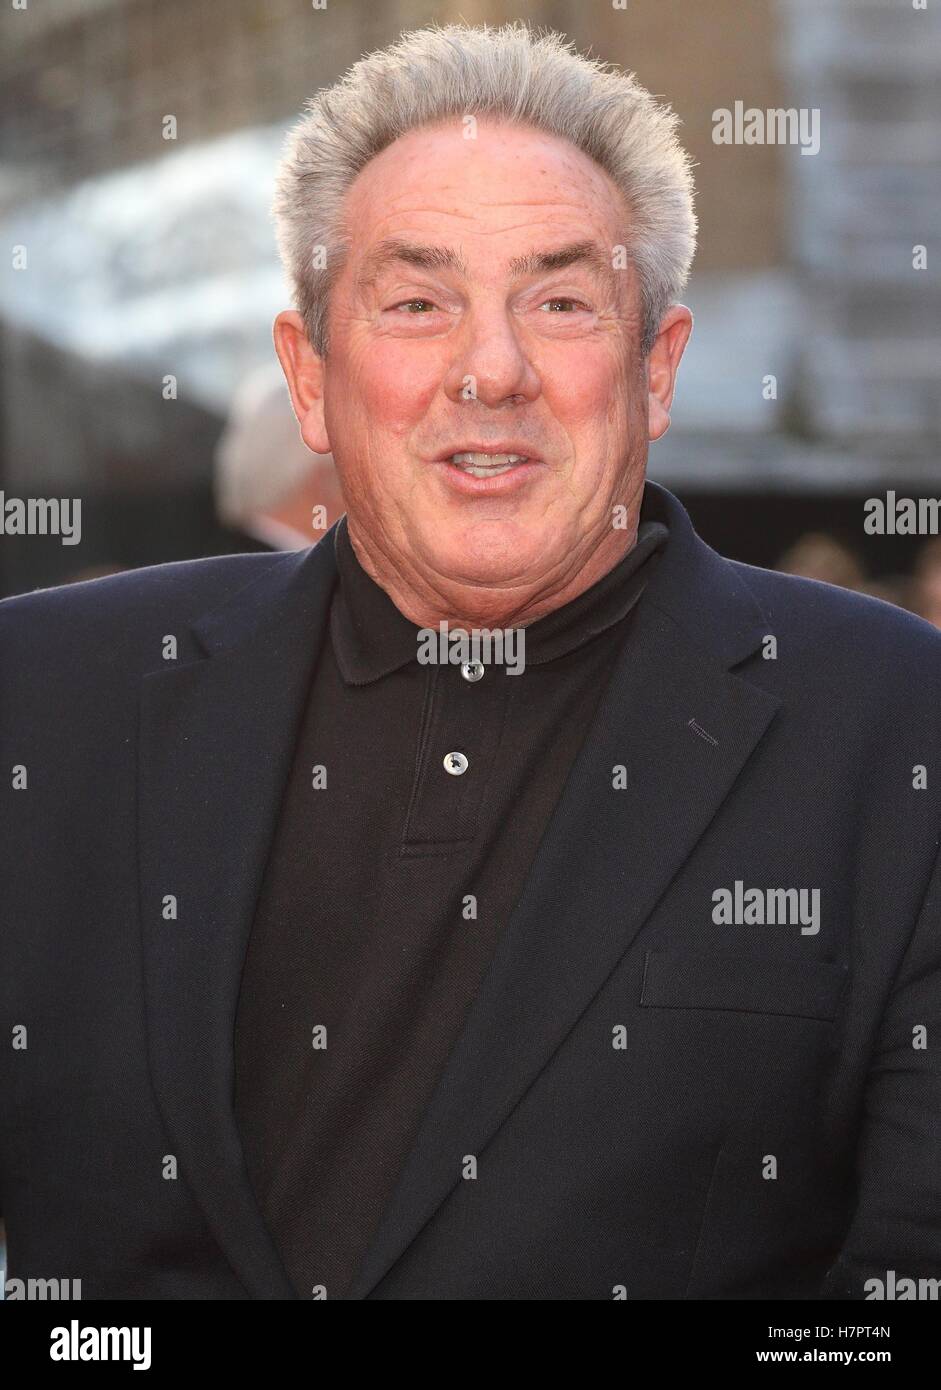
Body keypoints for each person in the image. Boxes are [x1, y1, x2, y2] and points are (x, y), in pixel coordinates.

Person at [1, 20, 939, 1301]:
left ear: (655, 372)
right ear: (310, 375)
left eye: (559, 302)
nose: (489, 370)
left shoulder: (893, 727)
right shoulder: (47, 704)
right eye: (416, 302)